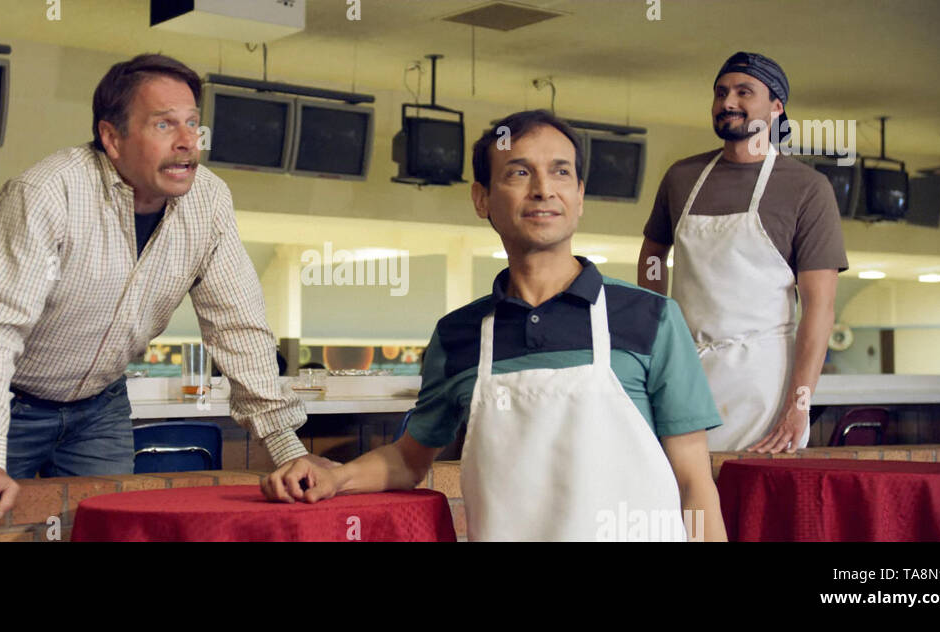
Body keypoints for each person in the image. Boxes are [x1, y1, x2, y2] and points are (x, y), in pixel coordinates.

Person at [263, 110, 727, 542]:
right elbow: (409, 459)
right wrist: (334, 474)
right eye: (519, 172)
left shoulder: (651, 319)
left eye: (561, 171)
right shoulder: (458, 335)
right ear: (482, 198)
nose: (544, 189)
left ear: (580, 196)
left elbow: (693, 481)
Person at [0, 53, 324, 530]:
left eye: (193, 124)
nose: (187, 143)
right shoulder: (48, 192)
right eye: (164, 125)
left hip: (101, 407)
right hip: (11, 405)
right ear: (112, 139)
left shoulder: (210, 200)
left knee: (105, 535)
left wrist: (287, 449)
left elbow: (237, 325)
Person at [637, 52, 848, 454]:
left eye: (743, 92)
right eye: (720, 92)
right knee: (682, 501)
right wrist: (653, 324)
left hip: (763, 386)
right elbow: (652, 254)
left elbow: (820, 308)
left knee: (752, 504)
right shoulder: (681, 177)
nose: (727, 102)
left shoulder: (808, 188)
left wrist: (798, 404)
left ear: (776, 107)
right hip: (684, 372)